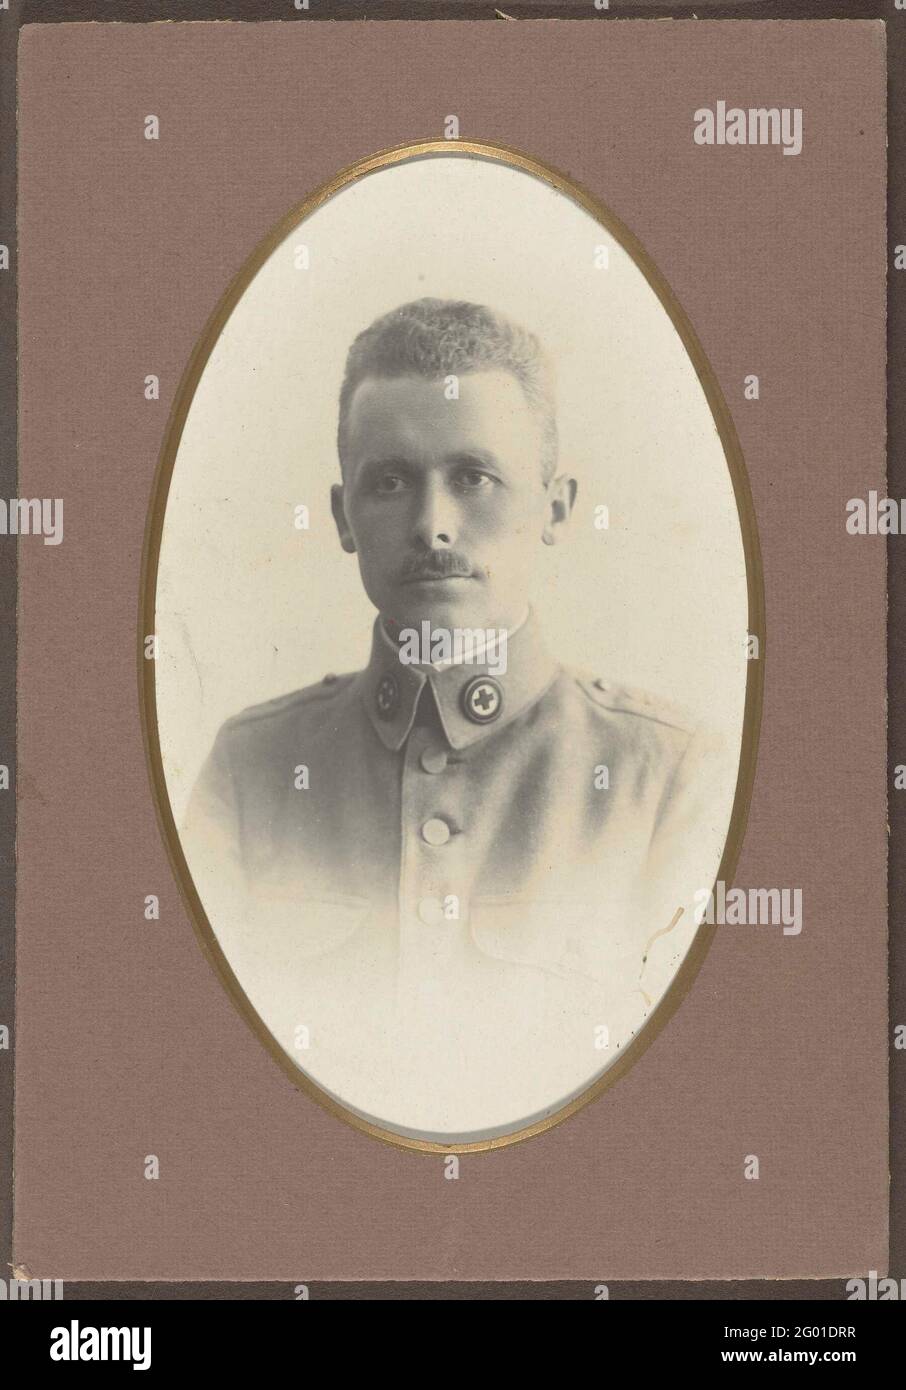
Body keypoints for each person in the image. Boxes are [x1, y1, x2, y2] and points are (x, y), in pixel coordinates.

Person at [182, 298, 732, 1136]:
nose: (433, 526)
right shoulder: (251, 771)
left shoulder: (668, 779)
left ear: (555, 508)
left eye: (473, 477)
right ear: (342, 516)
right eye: (391, 481)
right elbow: (206, 1083)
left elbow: (687, 1104)